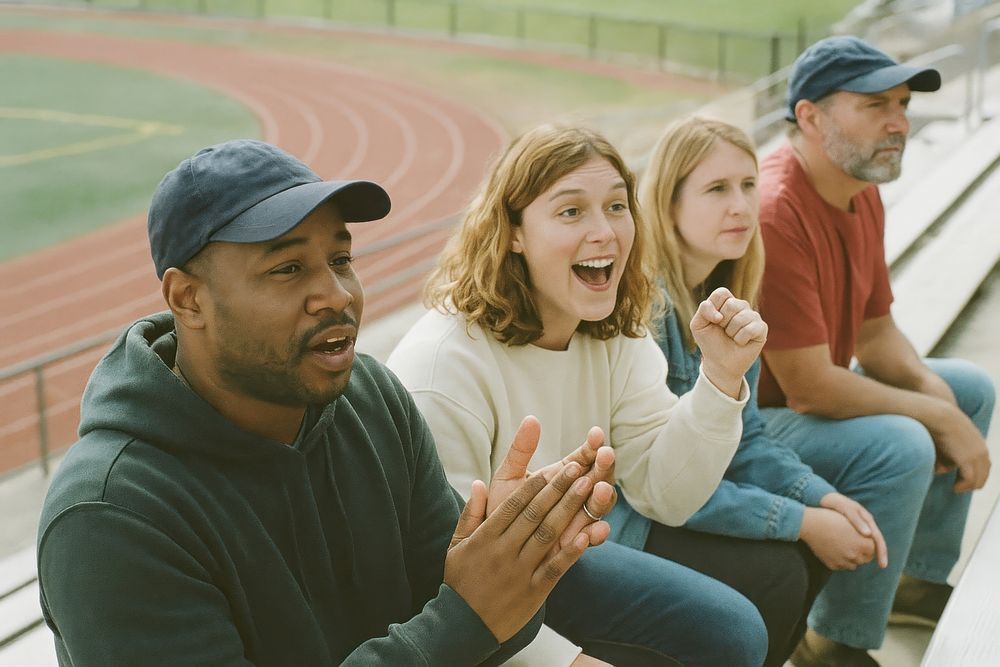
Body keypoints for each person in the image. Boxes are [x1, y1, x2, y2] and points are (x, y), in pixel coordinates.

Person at [36, 139, 620, 666]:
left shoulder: (374, 400)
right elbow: (460, 626)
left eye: (341, 260)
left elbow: (477, 632)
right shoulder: (110, 516)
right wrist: (471, 613)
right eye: (288, 269)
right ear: (189, 300)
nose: (336, 295)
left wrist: (515, 561)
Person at [387, 124, 771, 666]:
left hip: (554, 560)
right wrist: (564, 660)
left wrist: (721, 379)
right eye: (571, 212)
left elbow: (669, 495)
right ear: (513, 231)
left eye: (617, 207)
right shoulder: (442, 369)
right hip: (456, 606)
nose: (606, 232)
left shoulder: (615, 330)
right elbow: (437, 580)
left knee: (735, 629)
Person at [755, 36, 995, 666]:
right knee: (905, 440)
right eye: (876, 106)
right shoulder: (776, 210)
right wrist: (936, 418)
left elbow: (874, 333)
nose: (900, 123)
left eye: (903, 105)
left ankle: (910, 581)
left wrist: (939, 397)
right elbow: (810, 386)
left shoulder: (858, 187)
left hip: (804, 400)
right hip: (749, 427)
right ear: (810, 116)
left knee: (965, 388)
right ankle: (831, 640)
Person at [640, 115, 892, 666]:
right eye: (716, 189)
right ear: (668, 202)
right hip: (639, 517)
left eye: (749, 185)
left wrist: (822, 498)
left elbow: (747, 441)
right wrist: (800, 520)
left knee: (827, 543)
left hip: (686, 499)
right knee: (782, 568)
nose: (741, 206)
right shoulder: (647, 309)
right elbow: (661, 484)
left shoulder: (726, 295)